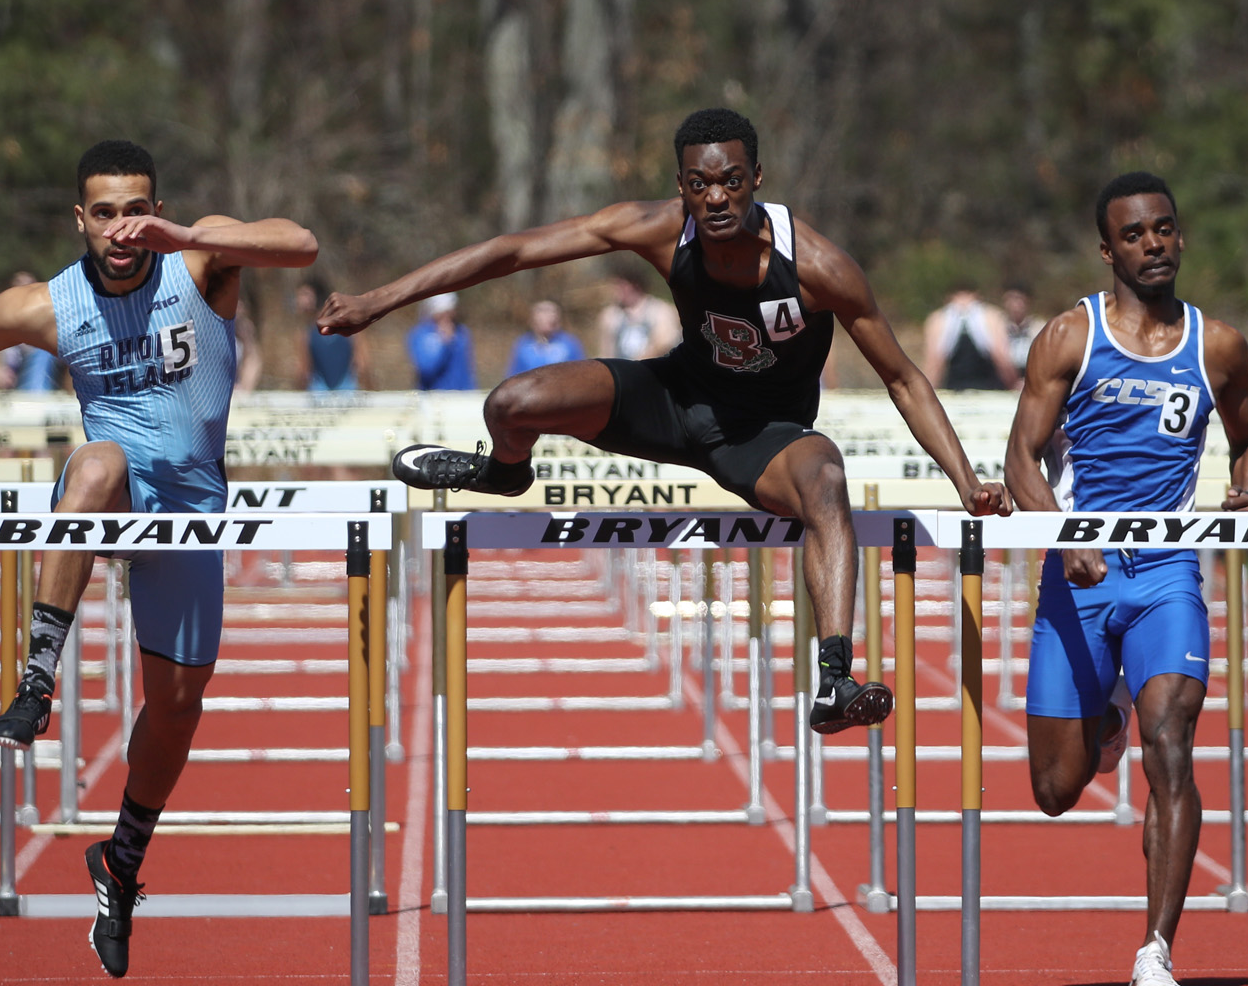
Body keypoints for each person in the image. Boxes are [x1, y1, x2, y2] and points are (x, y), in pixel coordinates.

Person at [319, 107, 1011, 731]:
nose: (716, 198)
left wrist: (964, 480)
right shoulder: (658, 229)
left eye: (732, 182)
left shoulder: (820, 267)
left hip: (762, 437)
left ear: (756, 179)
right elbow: (513, 250)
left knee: (826, 480)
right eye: (700, 184)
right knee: (511, 403)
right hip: (674, 399)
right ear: (681, 187)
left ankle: (832, 678)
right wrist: (380, 300)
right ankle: (505, 474)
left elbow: (903, 377)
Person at [0, 139, 316, 977]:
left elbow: (302, 244)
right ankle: (36, 681)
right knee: (99, 461)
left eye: (135, 208)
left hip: (191, 513)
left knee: (179, 704)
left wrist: (179, 232)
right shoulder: (50, 304)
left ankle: (120, 862)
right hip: (109, 498)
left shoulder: (198, 258)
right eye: (105, 212)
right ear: (80, 218)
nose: (122, 228)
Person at [1005, 172, 1248, 986]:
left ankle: (1156, 948)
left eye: (1164, 229)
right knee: (1054, 789)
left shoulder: (1217, 344)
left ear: (1179, 237)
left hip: (1166, 574)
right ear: (1107, 249)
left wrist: (1247, 491)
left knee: (1173, 740)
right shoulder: (1068, 337)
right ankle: (1105, 715)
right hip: (1079, 574)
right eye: (1133, 234)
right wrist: (1064, 530)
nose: (1152, 244)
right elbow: (1020, 458)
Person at [923, 284, 1016, 390]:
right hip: (976, 388)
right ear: (977, 295)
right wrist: (1013, 385)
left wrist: (928, 391)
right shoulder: (991, 316)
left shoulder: (938, 319)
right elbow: (1001, 357)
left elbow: (934, 363)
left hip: (971, 387)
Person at [294, 277, 368, 391]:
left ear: (317, 295)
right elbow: (304, 371)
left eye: (305, 294)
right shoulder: (307, 334)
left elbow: (361, 364)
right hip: (320, 392)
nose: (299, 300)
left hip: (347, 390)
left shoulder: (348, 328)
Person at [598, 264, 680, 359]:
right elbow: (607, 352)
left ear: (635, 285)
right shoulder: (611, 315)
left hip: (653, 369)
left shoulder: (659, 310)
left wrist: (636, 364)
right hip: (622, 370)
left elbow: (663, 345)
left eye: (621, 285)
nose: (616, 290)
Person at [408, 292, 475, 389]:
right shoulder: (420, 334)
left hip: (461, 398)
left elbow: (468, 370)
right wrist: (443, 343)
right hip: (432, 397)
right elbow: (426, 369)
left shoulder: (462, 332)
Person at [507, 299, 584, 376]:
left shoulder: (569, 343)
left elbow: (580, 373)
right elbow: (513, 376)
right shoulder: (523, 345)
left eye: (553, 311)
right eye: (543, 311)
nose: (550, 315)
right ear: (532, 318)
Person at [1001, 281, 1046, 379]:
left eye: (1020, 300)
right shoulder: (998, 326)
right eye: (1012, 299)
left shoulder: (1039, 327)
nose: (1016, 305)